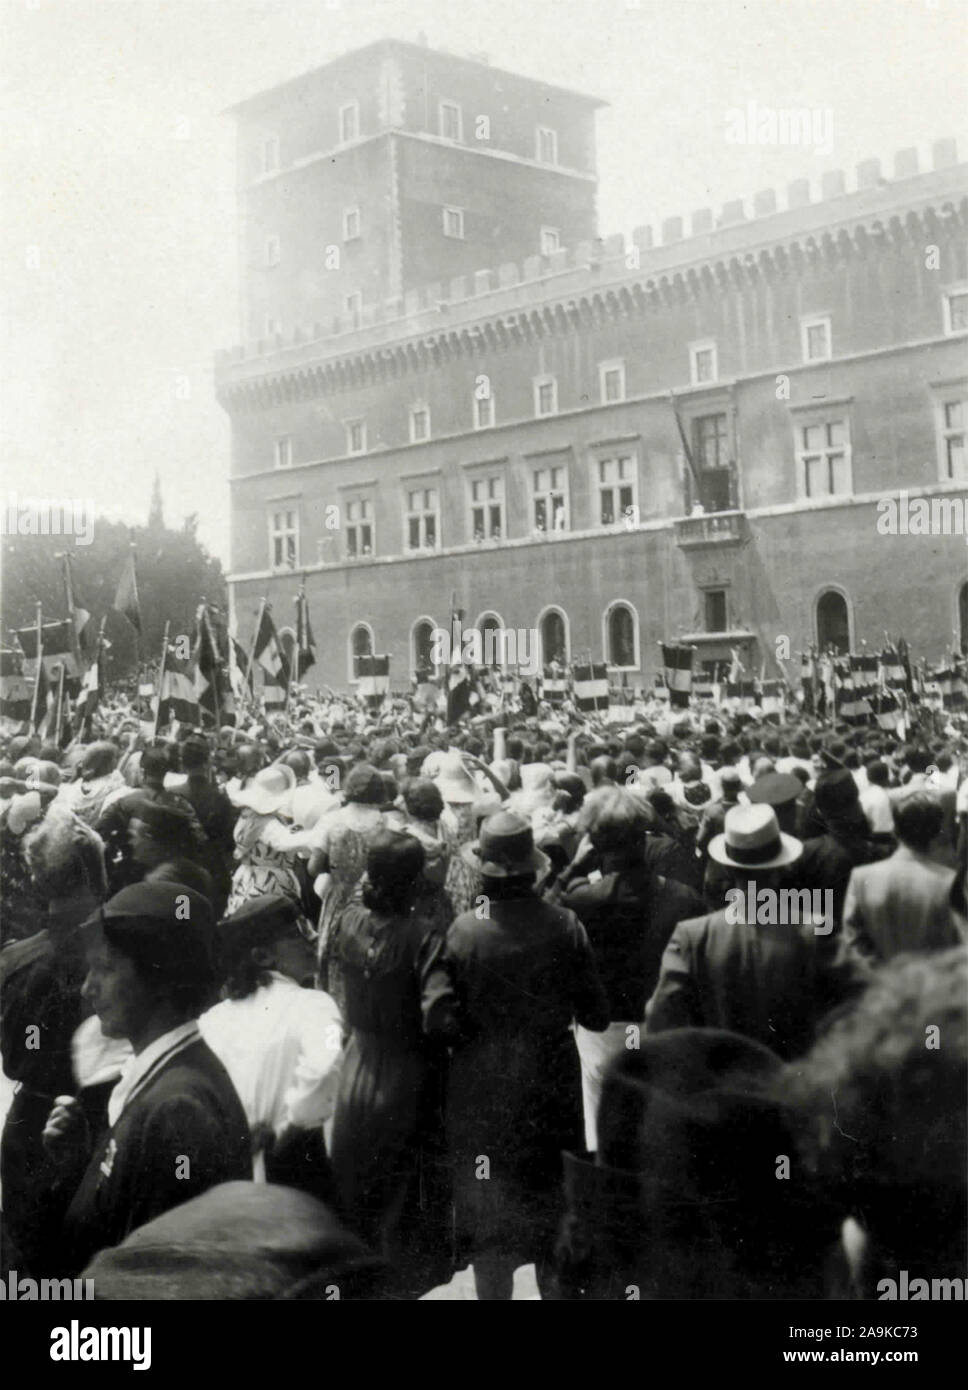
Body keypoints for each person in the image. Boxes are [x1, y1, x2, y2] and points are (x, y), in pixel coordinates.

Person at [430, 811, 609, 1299]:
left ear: (484, 872)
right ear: (534, 869)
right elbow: (595, 1015)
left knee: (491, 1226)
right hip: (551, 1086)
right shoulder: (566, 924)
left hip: (482, 1093)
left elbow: (441, 1017)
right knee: (554, 1215)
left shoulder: (465, 930)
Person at [40, 881, 251, 1275]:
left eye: (105, 968)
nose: (87, 987)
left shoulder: (179, 1110)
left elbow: (158, 1279)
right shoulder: (166, 1080)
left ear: (161, 979)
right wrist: (79, 1163)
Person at [327, 832, 453, 1298]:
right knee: (403, 1204)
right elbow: (439, 1018)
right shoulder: (425, 938)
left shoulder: (347, 921)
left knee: (357, 1188)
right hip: (407, 1074)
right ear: (417, 881)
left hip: (356, 1066)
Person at [646, 804, 865, 1059]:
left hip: (726, 1088)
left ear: (727, 869)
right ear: (782, 867)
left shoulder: (691, 936)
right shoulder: (815, 929)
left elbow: (660, 1020)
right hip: (799, 1085)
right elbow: (864, 999)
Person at [558, 786, 705, 1150]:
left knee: (602, 1130)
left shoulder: (580, 900)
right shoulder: (684, 898)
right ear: (642, 840)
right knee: (662, 1133)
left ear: (595, 845)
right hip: (664, 1023)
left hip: (603, 1029)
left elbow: (541, 921)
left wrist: (574, 867)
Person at [0, 809, 108, 1276]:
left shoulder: (15, 958)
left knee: (28, 1260)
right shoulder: (115, 955)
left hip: (25, 1123)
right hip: (91, 1129)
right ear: (94, 875)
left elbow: (12, 1056)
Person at [199, 894, 342, 1200]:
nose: (313, 937)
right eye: (297, 933)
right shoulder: (314, 1004)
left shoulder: (212, 1021)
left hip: (228, 1183)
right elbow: (326, 1066)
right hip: (292, 1174)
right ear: (263, 957)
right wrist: (289, 1129)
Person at [841, 792, 961, 965]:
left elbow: (853, 944)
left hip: (882, 987)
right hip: (937, 987)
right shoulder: (950, 882)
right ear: (936, 833)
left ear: (895, 831)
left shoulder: (861, 878)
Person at [226, 763, 313, 914]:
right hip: (269, 881)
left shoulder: (248, 816)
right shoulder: (267, 822)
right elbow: (283, 842)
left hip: (248, 875)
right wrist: (318, 835)